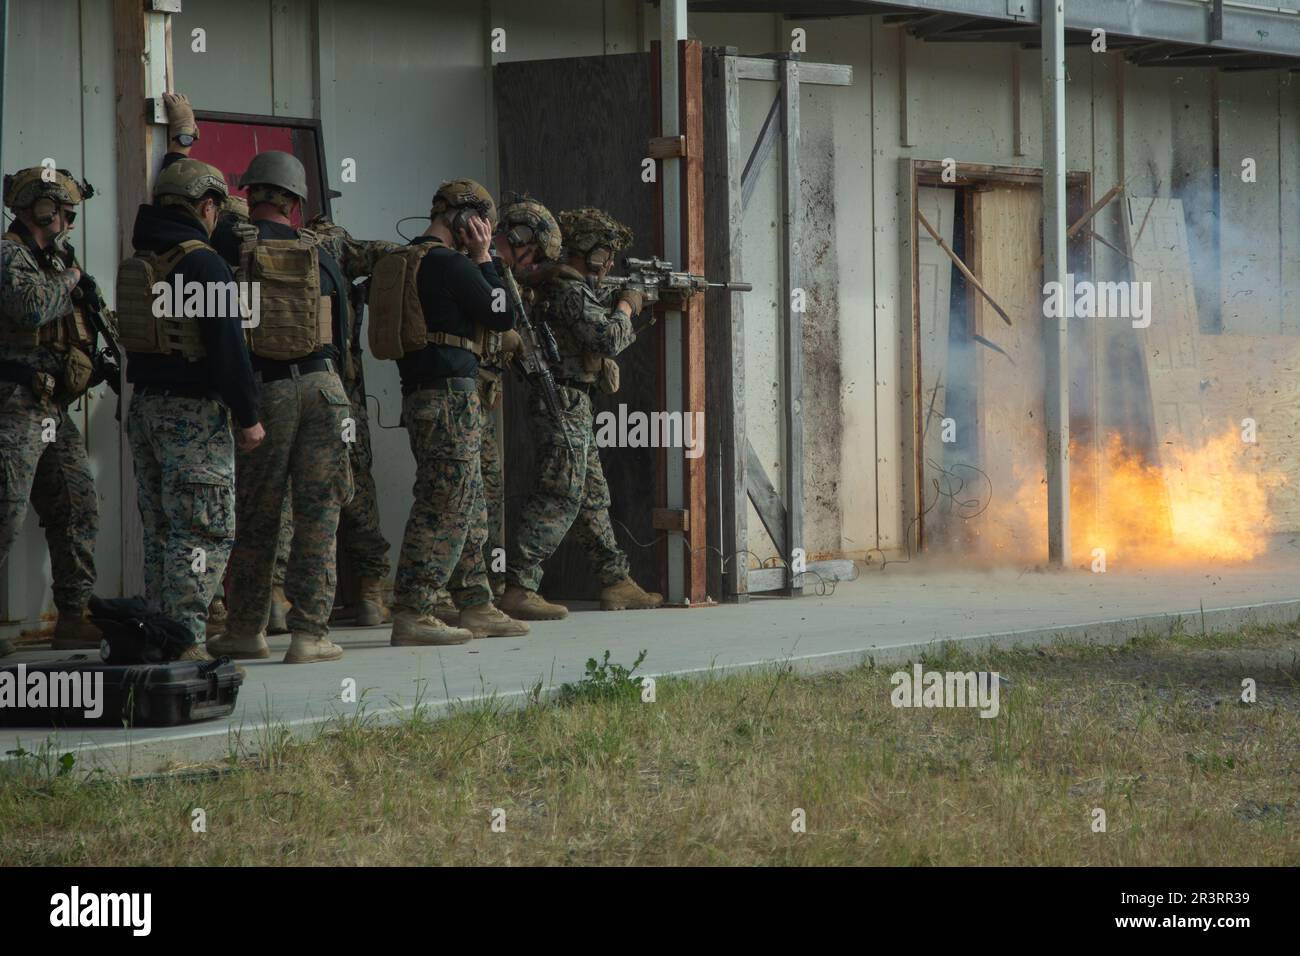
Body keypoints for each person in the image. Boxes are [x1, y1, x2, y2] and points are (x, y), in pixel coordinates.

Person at [205, 142, 401, 663]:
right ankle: (312, 635)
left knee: (257, 516)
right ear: (295, 201)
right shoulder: (325, 250)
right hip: (327, 389)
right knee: (321, 514)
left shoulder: (229, 240)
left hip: (266, 390)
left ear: (250, 193)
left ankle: (247, 629)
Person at [120, 93, 264, 657]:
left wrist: (181, 137)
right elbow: (228, 347)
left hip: (147, 410)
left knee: (163, 533)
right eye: (216, 206)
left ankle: (159, 635)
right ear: (204, 205)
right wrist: (249, 417)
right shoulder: (203, 263)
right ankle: (184, 642)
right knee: (201, 532)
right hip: (192, 419)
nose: (218, 216)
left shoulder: (146, 255)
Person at [377, 179, 529, 644]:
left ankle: (475, 603)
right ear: (465, 220)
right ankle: (413, 610)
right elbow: (501, 314)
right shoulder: (448, 265)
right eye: (480, 222)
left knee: (468, 501)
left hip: (425, 395)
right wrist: (485, 258)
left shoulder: (405, 261)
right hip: (450, 400)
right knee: (444, 504)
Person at [500, 207, 663, 619]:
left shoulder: (570, 285)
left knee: (591, 497)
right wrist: (628, 306)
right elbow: (606, 338)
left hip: (573, 402)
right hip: (562, 401)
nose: (609, 263)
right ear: (588, 252)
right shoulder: (569, 289)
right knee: (561, 493)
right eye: (605, 254)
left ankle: (615, 581)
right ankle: (519, 583)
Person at [429, 193, 560, 623]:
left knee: (486, 499)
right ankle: (460, 594)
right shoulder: (470, 264)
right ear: (520, 238)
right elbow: (497, 316)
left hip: (478, 395)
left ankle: (491, 589)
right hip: (459, 398)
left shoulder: (488, 267)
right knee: (468, 500)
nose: (532, 262)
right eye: (532, 251)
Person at [0, 164, 106, 651]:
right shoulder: (10, 255)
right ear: (39, 210)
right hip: (14, 403)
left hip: (51, 407)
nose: (68, 223)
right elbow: (29, 308)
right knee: (6, 511)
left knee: (77, 505)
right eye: (63, 213)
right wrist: (72, 279)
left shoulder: (55, 261)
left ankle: (74, 613)